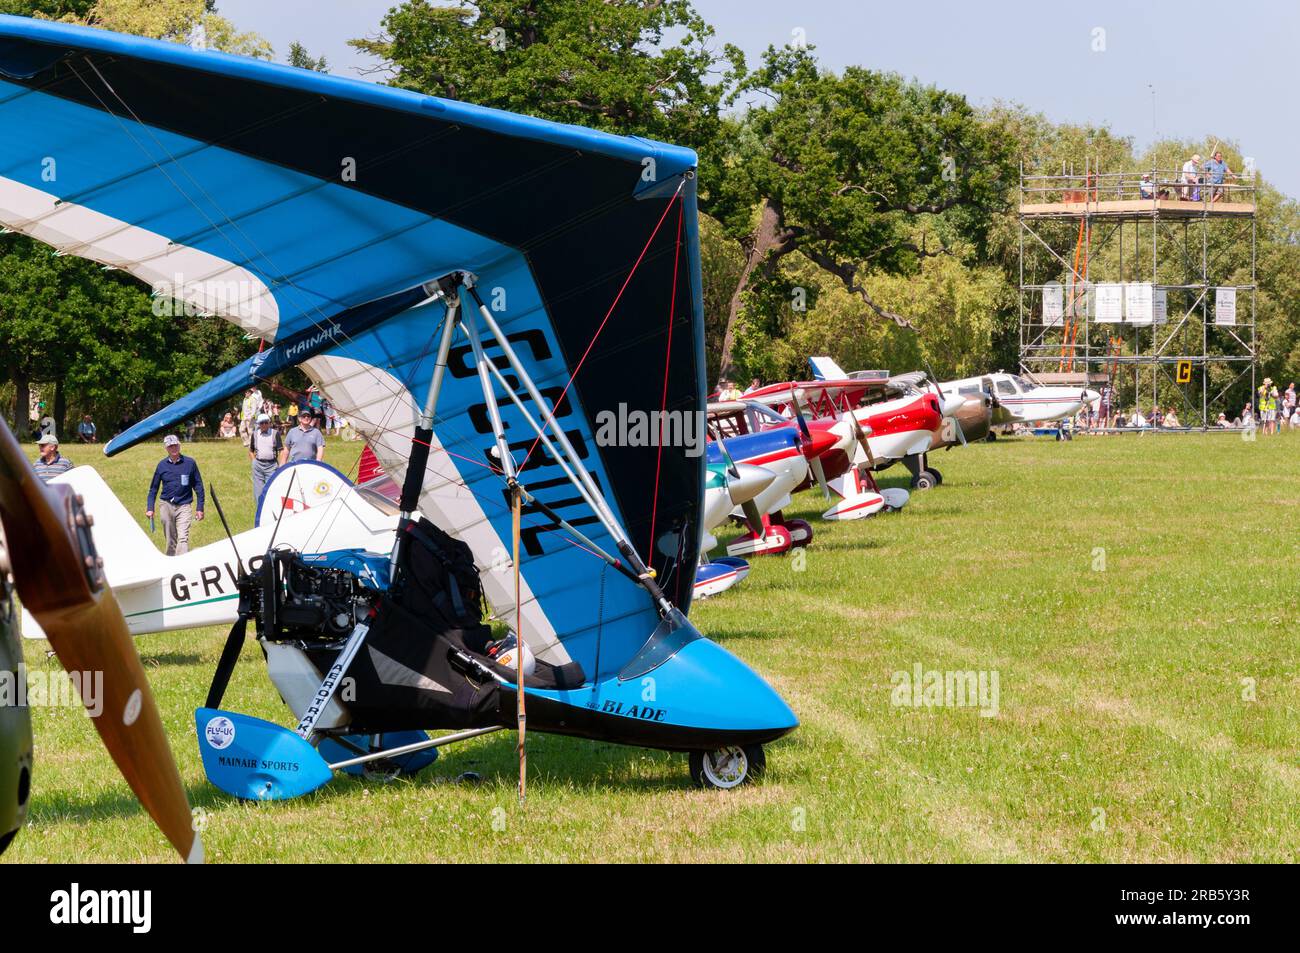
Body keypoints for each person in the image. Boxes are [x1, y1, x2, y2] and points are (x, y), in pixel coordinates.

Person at [145, 434, 205, 556]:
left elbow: (198, 486)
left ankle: (181, 565)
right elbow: (153, 489)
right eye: (170, 446)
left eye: (175, 445)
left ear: (179, 445)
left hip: (184, 506)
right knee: (170, 540)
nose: (174, 448)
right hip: (166, 505)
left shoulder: (190, 463)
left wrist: (200, 508)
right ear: (166, 448)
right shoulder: (161, 465)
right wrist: (150, 508)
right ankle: (171, 562)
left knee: (183, 538)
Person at [247, 412, 285, 506]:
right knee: (258, 492)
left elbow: (281, 451)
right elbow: (251, 451)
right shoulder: (255, 434)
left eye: (266, 422)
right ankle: (260, 511)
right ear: (258, 424)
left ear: (269, 423)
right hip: (258, 465)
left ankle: (271, 509)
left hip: (272, 465)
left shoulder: (275, 433)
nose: (264, 425)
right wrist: (254, 462)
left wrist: (280, 465)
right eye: (261, 423)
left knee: (271, 489)